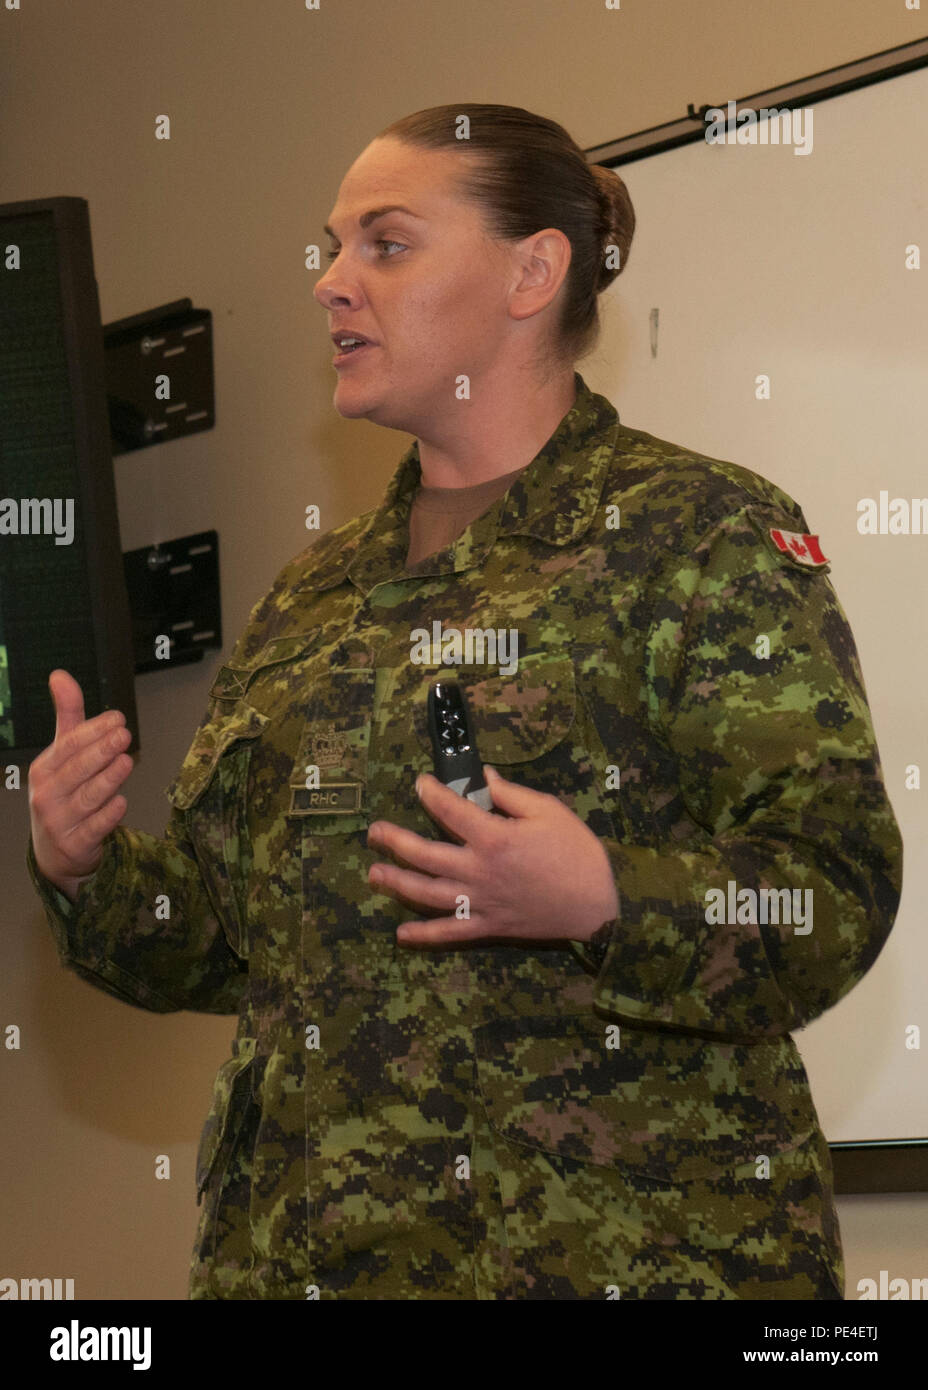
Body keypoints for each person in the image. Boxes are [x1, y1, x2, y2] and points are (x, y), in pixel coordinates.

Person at [27, 103, 902, 1300]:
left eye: (385, 244)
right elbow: (230, 944)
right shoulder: (313, 593)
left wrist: (602, 896)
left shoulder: (696, 534)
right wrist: (87, 868)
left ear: (532, 270)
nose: (332, 284)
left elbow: (829, 890)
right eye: (332, 248)